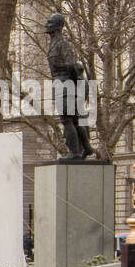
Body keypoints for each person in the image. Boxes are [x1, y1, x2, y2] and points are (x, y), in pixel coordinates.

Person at [45, 12, 96, 161]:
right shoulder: (53, 43)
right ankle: (87, 148)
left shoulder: (63, 44)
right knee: (73, 119)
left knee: (67, 119)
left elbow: (71, 65)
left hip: (66, 84)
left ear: (57, 26)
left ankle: (75, 152)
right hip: (59, 83)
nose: (47, 24)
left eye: (50, 21)